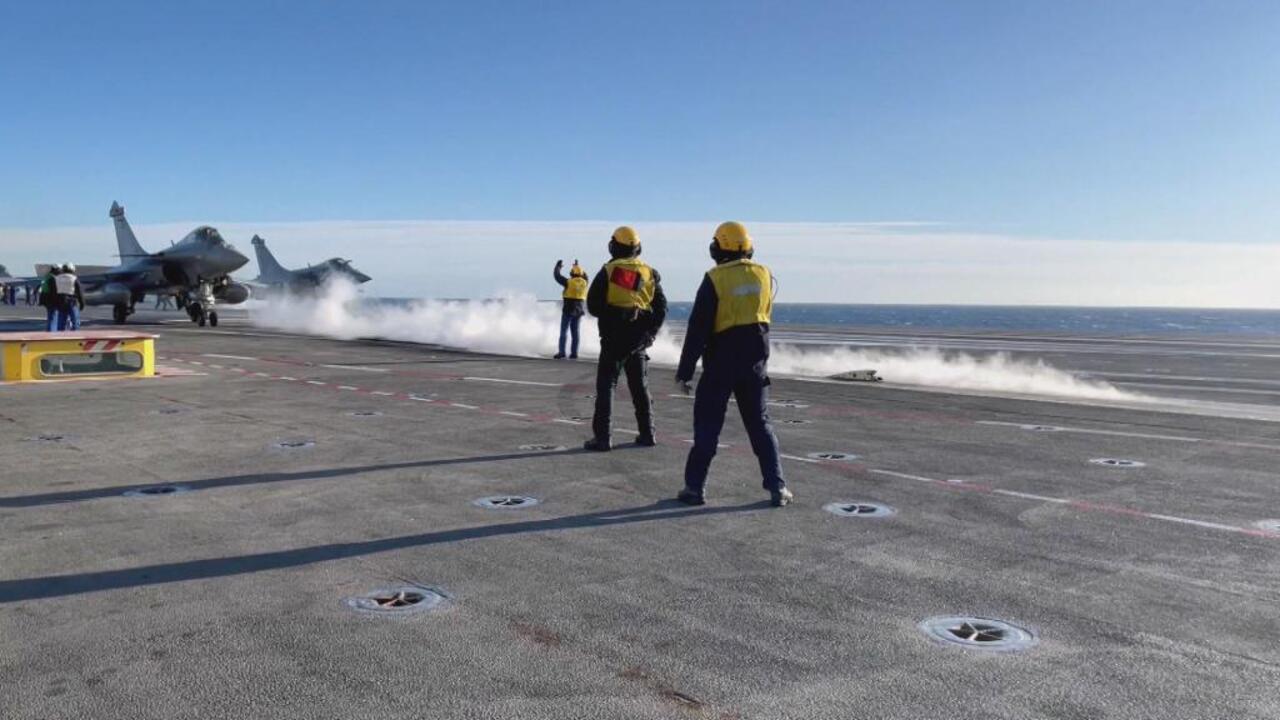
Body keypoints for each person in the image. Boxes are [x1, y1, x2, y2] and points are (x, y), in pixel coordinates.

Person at [674, 221, 793, 508]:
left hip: (721, 361)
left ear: (718, 248)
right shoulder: (764, 274)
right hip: (755, 361)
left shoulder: (715, 278)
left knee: (708, 426)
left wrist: (685, 372)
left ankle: (694, 488)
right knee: (760, 425)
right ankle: (777, 487)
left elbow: (698, 328)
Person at [583, 226, 667, 451]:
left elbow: (593, 306)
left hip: (613, 339)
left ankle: (603, 437)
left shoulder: (609, 270)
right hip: (638, 341)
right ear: (637, 248)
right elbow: (661, 308)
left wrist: (618, 312)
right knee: (640, 387)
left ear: (613, 246)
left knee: (607, 386)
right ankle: (648, 433)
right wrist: (651, 333)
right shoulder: (649, 272)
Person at [552, 259, 588, 359]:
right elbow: (585, 275)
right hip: (579, 310)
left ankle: (562, 352)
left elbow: (557, 276)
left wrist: (558, 266)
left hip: (568, 309)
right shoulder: (585, 282)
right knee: (575, 333)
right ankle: (574, 353)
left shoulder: (568, 282)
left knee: (564, 331)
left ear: (571, 273)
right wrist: (577, 266)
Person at [55, 263, 85, 331]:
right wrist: (82, 303)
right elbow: (79, 292)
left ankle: (60, 334)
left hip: (61, 301)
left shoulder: (57, 278)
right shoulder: (74, 278)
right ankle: (75, 335)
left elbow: (54, 291)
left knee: (61, 322)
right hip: (72, 302)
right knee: (75, 321)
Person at [37, 265, 61, 331]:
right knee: (53, 317)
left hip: (45, 298)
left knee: (50, 316)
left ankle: (49, 330)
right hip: (50, 299)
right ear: (56, 270)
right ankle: (51, 332)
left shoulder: (47, 276)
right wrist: (58, 301)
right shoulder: (52, 278)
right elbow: (54, 291)